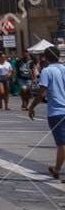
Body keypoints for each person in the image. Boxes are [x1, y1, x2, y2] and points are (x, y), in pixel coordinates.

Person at [41, 47, 65, 180]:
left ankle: (57, 169)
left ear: (45, 57)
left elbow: (42, 91)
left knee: (62, 144)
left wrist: (32, 106)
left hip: (57, 112)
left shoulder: (47, 71)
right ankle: (56, 168)